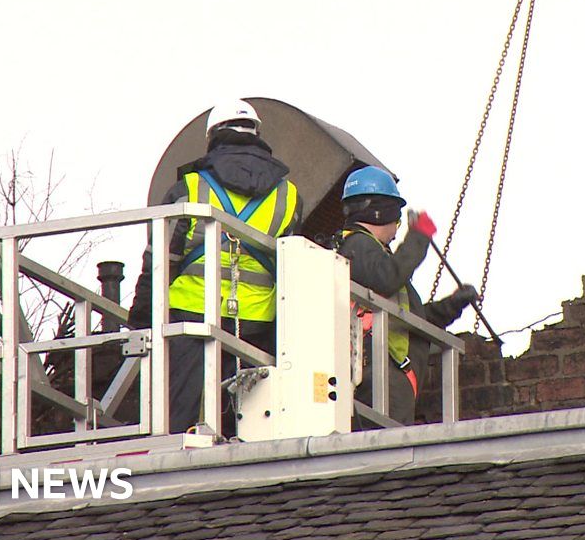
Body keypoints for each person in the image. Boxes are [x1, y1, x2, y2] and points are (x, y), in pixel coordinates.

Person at [128, 99, 301, 436]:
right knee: (253, 424)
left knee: (179, 423)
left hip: (191, 318)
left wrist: (140, 318)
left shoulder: (190, 188)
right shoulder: (289, 195)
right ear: (256, 135)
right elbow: (292, 266)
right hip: (256, 325)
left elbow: (159, 261)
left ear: (212, 137)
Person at [335, 166, 477, 426]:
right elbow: (387, 277)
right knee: (388, 446)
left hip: (390, 372)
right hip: (381, 373)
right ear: (381, 213)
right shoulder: (358, 245)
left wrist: (452, 305)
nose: (396, 230)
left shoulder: (371, 256)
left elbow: (413, 319)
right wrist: (418, 238)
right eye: (397, 220)